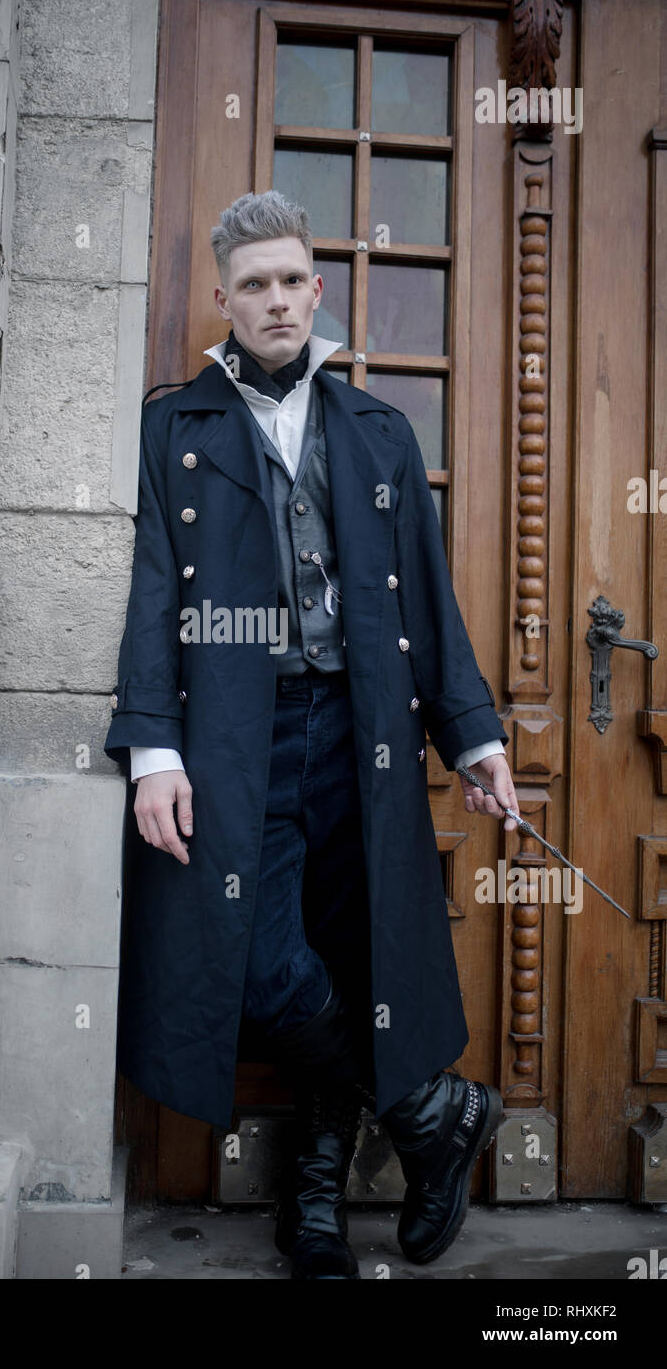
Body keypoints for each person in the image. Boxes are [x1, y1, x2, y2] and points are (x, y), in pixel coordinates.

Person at [105, 190, 521, 1280]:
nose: (276, 300)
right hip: (234, 736)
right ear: (223, 300)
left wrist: (472, 737)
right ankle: (435, 1110)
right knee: (251, 966)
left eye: (291, 280)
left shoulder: (377, 430)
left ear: (316, 289)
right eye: (254, 285)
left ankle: (316, 1205)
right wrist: (152, 745)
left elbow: (425, 600)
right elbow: (153, 590)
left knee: (356, 953)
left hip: (364, 730)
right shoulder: (174, 426)